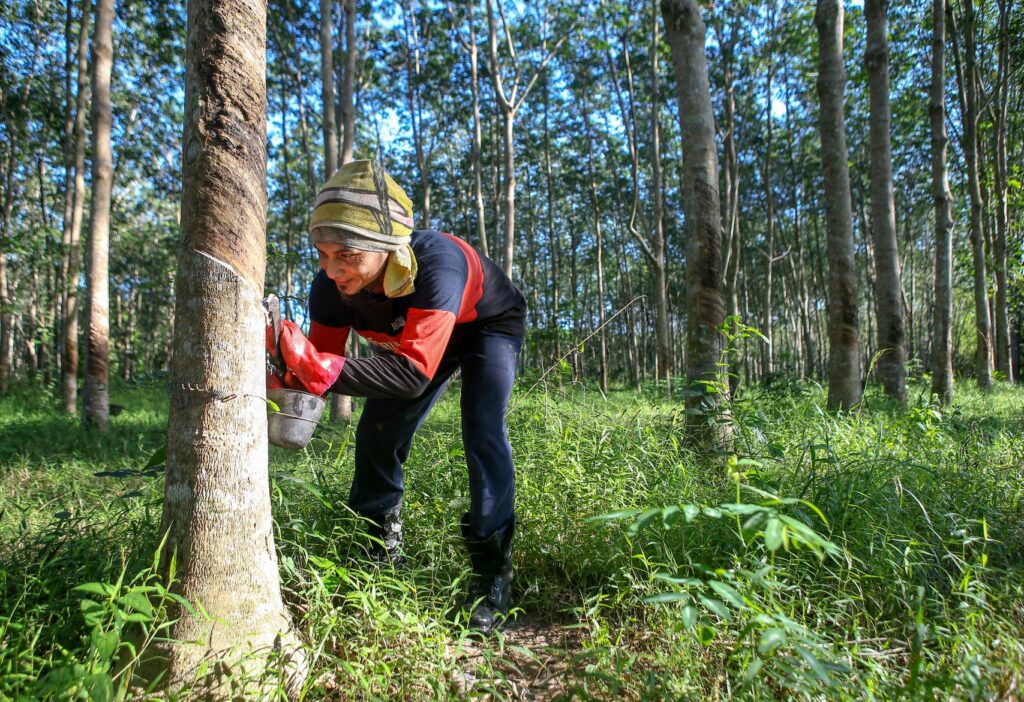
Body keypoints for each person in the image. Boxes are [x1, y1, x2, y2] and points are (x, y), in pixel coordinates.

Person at [268, 159, 526, 633]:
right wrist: (285, 374)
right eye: (321, 255)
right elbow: (321, 369)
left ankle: (494, 576)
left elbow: (407, 375)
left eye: (345, 254)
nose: (331, 270)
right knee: (376, 433)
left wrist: (317, 368)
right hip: (417, 345)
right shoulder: (329, 288)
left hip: (485, 327)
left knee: (482, 430)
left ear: (384, 246)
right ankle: (376, 555)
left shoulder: (437, 267)